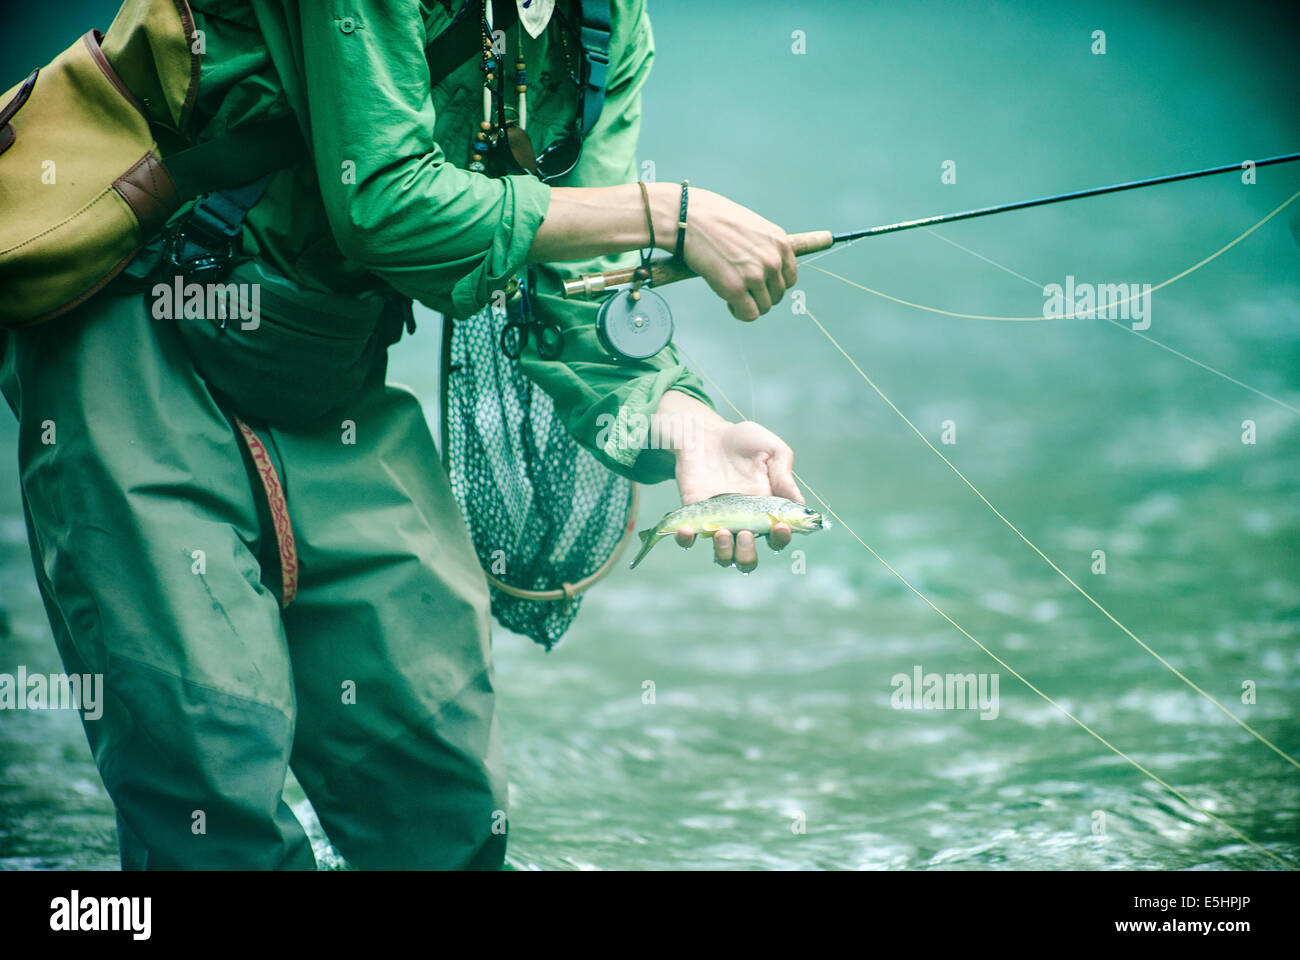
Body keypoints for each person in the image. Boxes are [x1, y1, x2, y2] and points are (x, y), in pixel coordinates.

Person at [1, 0, 802, 869]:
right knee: (212, 773)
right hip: (136, 327)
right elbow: (383, 201)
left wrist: (685, 421)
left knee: (443, 797)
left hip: (330, 368)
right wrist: (666, 212)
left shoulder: (610, 23)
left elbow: (573, 285)